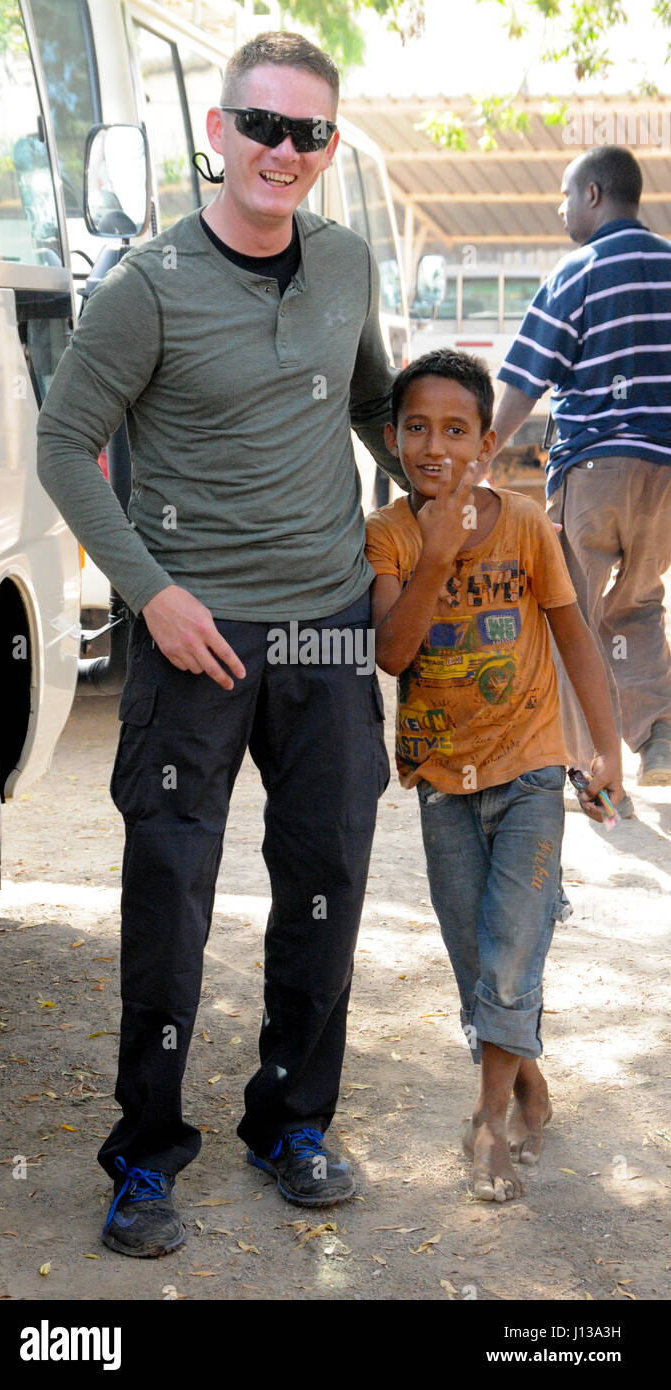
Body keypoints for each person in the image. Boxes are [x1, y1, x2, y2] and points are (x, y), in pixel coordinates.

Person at [37, 31, 401, 1258]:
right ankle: (145, 1158)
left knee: (325, 888)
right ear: (217, 133)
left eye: (305, 133)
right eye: (259, 125)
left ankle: (290, 1123)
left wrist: (439, 498)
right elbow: (62, 441)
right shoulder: (146, 284)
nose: (279, 151)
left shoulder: (345, 263)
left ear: (327, 147)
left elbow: (371, 402)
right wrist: (149, 593)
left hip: (330, 632)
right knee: (170, 902)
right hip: (194, 641)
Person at [365, 349, 622, 1202]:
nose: (433, 445)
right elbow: (393, 652)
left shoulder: (523, 526)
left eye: (455, 430)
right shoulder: (391, 535)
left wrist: (603, 747)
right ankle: (524, 1081)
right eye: (415, 427)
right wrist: (435, 553)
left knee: (512, 944)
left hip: (529, 769)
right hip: (442, 777)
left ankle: (486, 1122)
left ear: (484, 444)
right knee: (473, 953)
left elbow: (576, 637)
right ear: (394, 437)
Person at [492, 145, 671, 793]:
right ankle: (658, 737)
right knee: (637, 604)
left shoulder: (578, 271)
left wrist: (480, 456)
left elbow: (521, 379)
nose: (559, 207)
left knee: (564, 609)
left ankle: (586, 763)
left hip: (594, 468)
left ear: (593, 195)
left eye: (565, 194)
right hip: (666, 479)